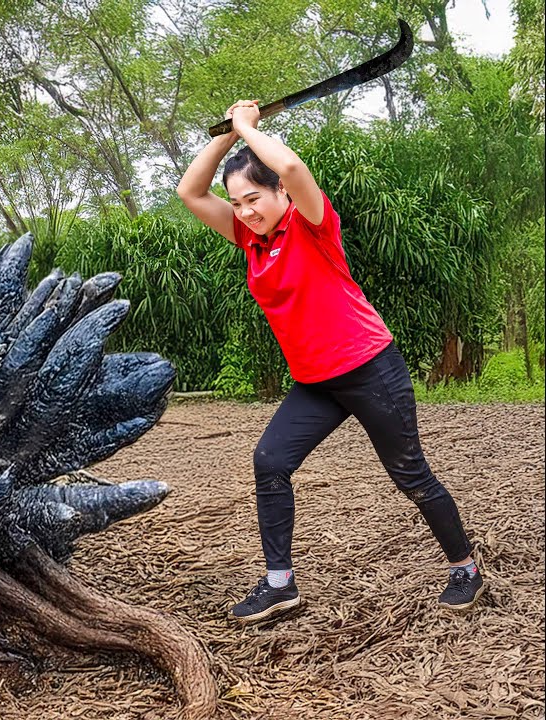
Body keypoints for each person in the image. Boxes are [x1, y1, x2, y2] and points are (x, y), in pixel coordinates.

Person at [175, 100, 483, 623]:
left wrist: (249, 130)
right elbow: (189, 191)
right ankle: (280, 584)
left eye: (254, 198)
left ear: (278, 194)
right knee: (270, 462)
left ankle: (466, 567)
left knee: (410, 475)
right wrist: (229, 133)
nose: (246, 211)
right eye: (238, 203)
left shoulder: (311, 223)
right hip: (316, 382)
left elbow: (293, 168)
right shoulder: (250, 238)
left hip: (369, 367)